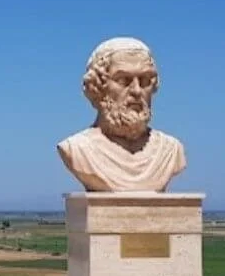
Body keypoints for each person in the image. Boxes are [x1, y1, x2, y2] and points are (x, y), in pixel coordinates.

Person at [57, 37, 187, 192]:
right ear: (98, 87)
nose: (137, 91)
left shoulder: (170, 150)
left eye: (144, 81)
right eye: (123, 80)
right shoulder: (78, 148)